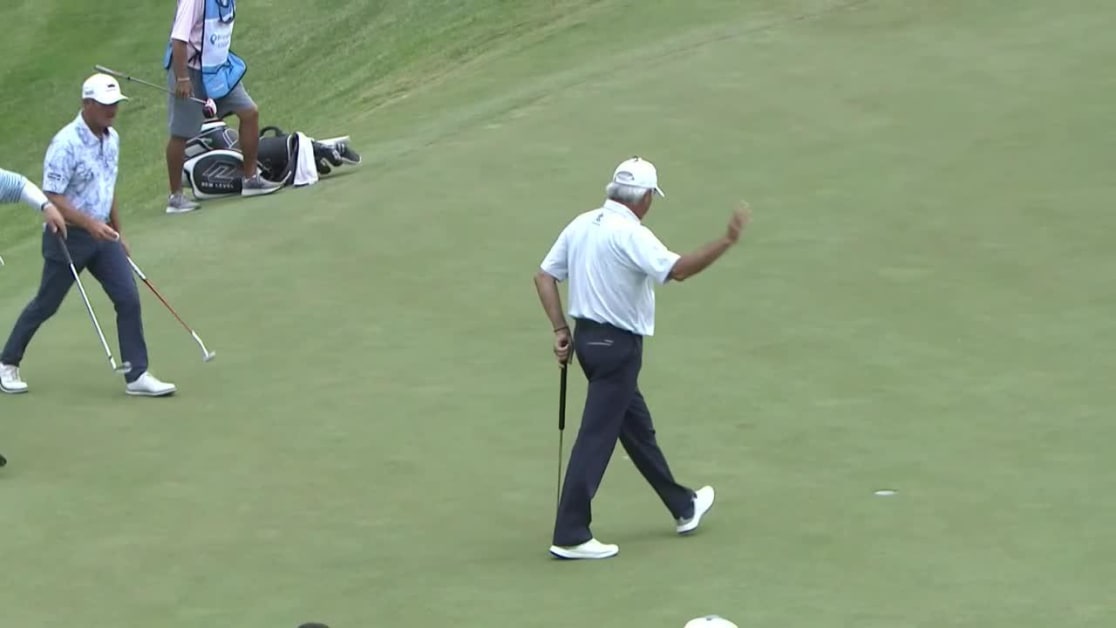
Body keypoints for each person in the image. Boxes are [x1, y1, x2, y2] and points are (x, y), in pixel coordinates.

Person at [534, 156, 750, 559]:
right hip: (618, 350)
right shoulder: (632, 234)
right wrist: (726, 242)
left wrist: (561, 329)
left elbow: (544, 276)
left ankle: (683, 507)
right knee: (596, 438)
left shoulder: (582, 223)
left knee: (636, 429)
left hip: (588, 345)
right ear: (646, 198)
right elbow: (679, 270)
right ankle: (571, 533)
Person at [0, 73, 177, 398]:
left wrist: (118, 233)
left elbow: (107, 189)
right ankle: (7, 362)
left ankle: (136, 374)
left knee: (127, 297)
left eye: (115, 104)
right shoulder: (65, 143)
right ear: (87, 104)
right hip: (65, 236)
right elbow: (51, 197)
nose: (112, 111)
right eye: (106, 105)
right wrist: (90, 224)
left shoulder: (112, 139)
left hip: (102, 234)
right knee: (46, 304)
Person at [162, 0, 281, 214]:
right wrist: (182, 78)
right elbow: (179, 40)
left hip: (217, 69)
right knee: (181, 133)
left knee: (249, 112)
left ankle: (251, 180)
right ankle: (175, 197)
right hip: (189, 70)